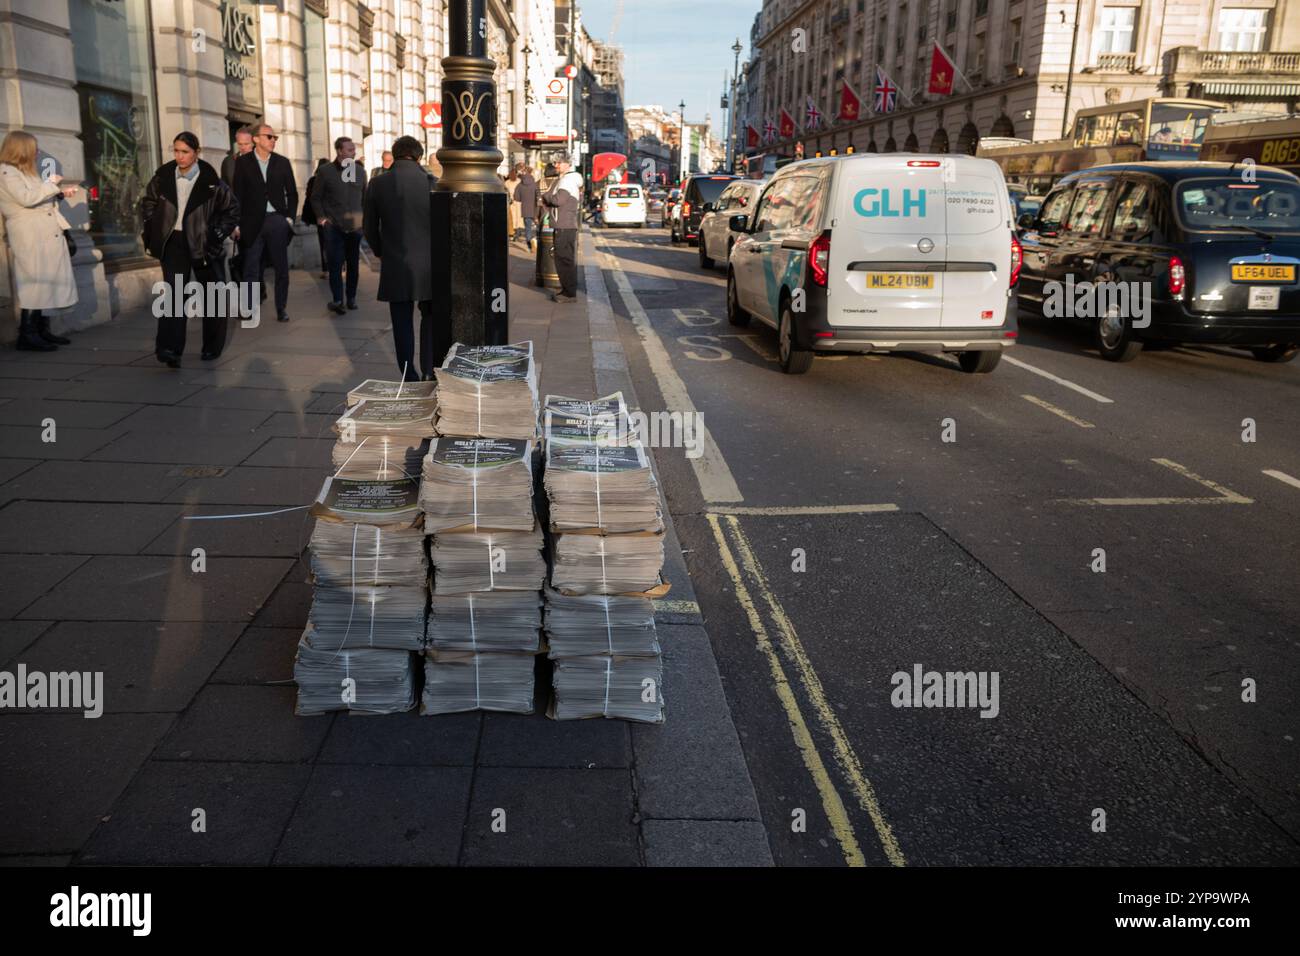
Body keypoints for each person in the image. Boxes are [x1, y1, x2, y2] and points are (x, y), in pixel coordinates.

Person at [140, 131, 240, 367]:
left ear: (196, 153)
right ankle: (169, 349)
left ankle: (212, 347)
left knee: (212, 295)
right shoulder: (163, 176)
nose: (180, 156)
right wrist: (153, 229)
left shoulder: (212, 181)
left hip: (204, 244)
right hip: (172, 242)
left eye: (185, 151)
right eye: (176, 150)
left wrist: (215, 235)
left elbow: (232, 210)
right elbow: (148, 203)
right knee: (174, 295)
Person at [363, 136, 449, 380]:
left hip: (396, 262)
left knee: (401, 321)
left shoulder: (377, 184)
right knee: (430, 319)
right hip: (429, 265)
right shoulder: (433, 183)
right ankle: (429, 370)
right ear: (419, 156)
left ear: (395, 153)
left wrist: (382, 251)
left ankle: (407, 372)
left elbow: (369, 228)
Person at [0, 130, 79, 351]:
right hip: (30, 233)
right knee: (35, 281)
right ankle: (27, 334)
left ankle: (42, 330)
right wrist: (52, 183)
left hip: (44, 231)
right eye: (33, 147)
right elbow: (26, 199)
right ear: (21, 149)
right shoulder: (7, 172)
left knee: (47, 279)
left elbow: (39, 196)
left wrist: (60, 193)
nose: (37, 152)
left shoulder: (25, 172)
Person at [232, 123, 297, 322]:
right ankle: (249, 308)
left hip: (277, 220)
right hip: (251, 222)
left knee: (281, 267)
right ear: (256, 139)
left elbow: (292, 193)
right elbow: (237, 195)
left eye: (275, 137)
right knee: (251, 267)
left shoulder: (283, 162)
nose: (273, 140)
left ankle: (281, 308)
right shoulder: (243, 163)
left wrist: (289, 219)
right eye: (269, 137)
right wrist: (236, 224)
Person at [315, 137, 366, 315]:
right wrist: (322, 218)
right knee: (335, 264)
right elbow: (316, 197)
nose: (354, 152)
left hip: (354, 227)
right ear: (339, 151)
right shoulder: (325, 171)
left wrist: (363, 222)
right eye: (350, 150)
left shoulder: (360, 171)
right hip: (333, 226)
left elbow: (364, 198)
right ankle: (338, 299)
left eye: (354, 149)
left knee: (353, 264)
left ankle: (351, 298)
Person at [540, 154, 582, 303]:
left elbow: (558, 200)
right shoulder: (567, 180)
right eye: (555, 163)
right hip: (565, 225)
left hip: (564, 225)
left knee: (564, 260)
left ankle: (569, 294)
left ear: (567, 164)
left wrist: (546, 196)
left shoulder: (567, 180)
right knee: (565, 260)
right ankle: (567, 291)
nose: (556, 165)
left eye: (558, 163)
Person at [220, 127, 255, 280]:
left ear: (253, 143)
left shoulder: (261, 161)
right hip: (238, 217)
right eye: (240, 143)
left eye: (246, 144)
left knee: (256, 255)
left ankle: (257, 287)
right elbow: (224, 192)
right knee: (245, 254)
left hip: (258, 216)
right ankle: (254, 289)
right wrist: (232, 224)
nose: (243, 147)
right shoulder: (229, 162)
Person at [302, 158, 330, 278]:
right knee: (336, 243)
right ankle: (340, 268)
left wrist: (308, 217)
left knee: (324, 244)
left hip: (321, 217)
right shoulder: (331, 179)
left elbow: (309, 199)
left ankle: (326, 270)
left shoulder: (313, 180)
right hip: (333, 217)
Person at [515, 163, 539, 251]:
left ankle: (529, 246)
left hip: (525, 209)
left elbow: (516, 198)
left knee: (528, 228)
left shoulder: (519, 185)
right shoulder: (536, 184)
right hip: (535, 209)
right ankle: (536, 241)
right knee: (538, 227)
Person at [505, 166, 521, 240]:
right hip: (514, 201)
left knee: (516, 217)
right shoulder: (508, 182)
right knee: (515, 217)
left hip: (516, 201)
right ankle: (515, 231)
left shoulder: (508, 182)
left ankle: (515, 231)